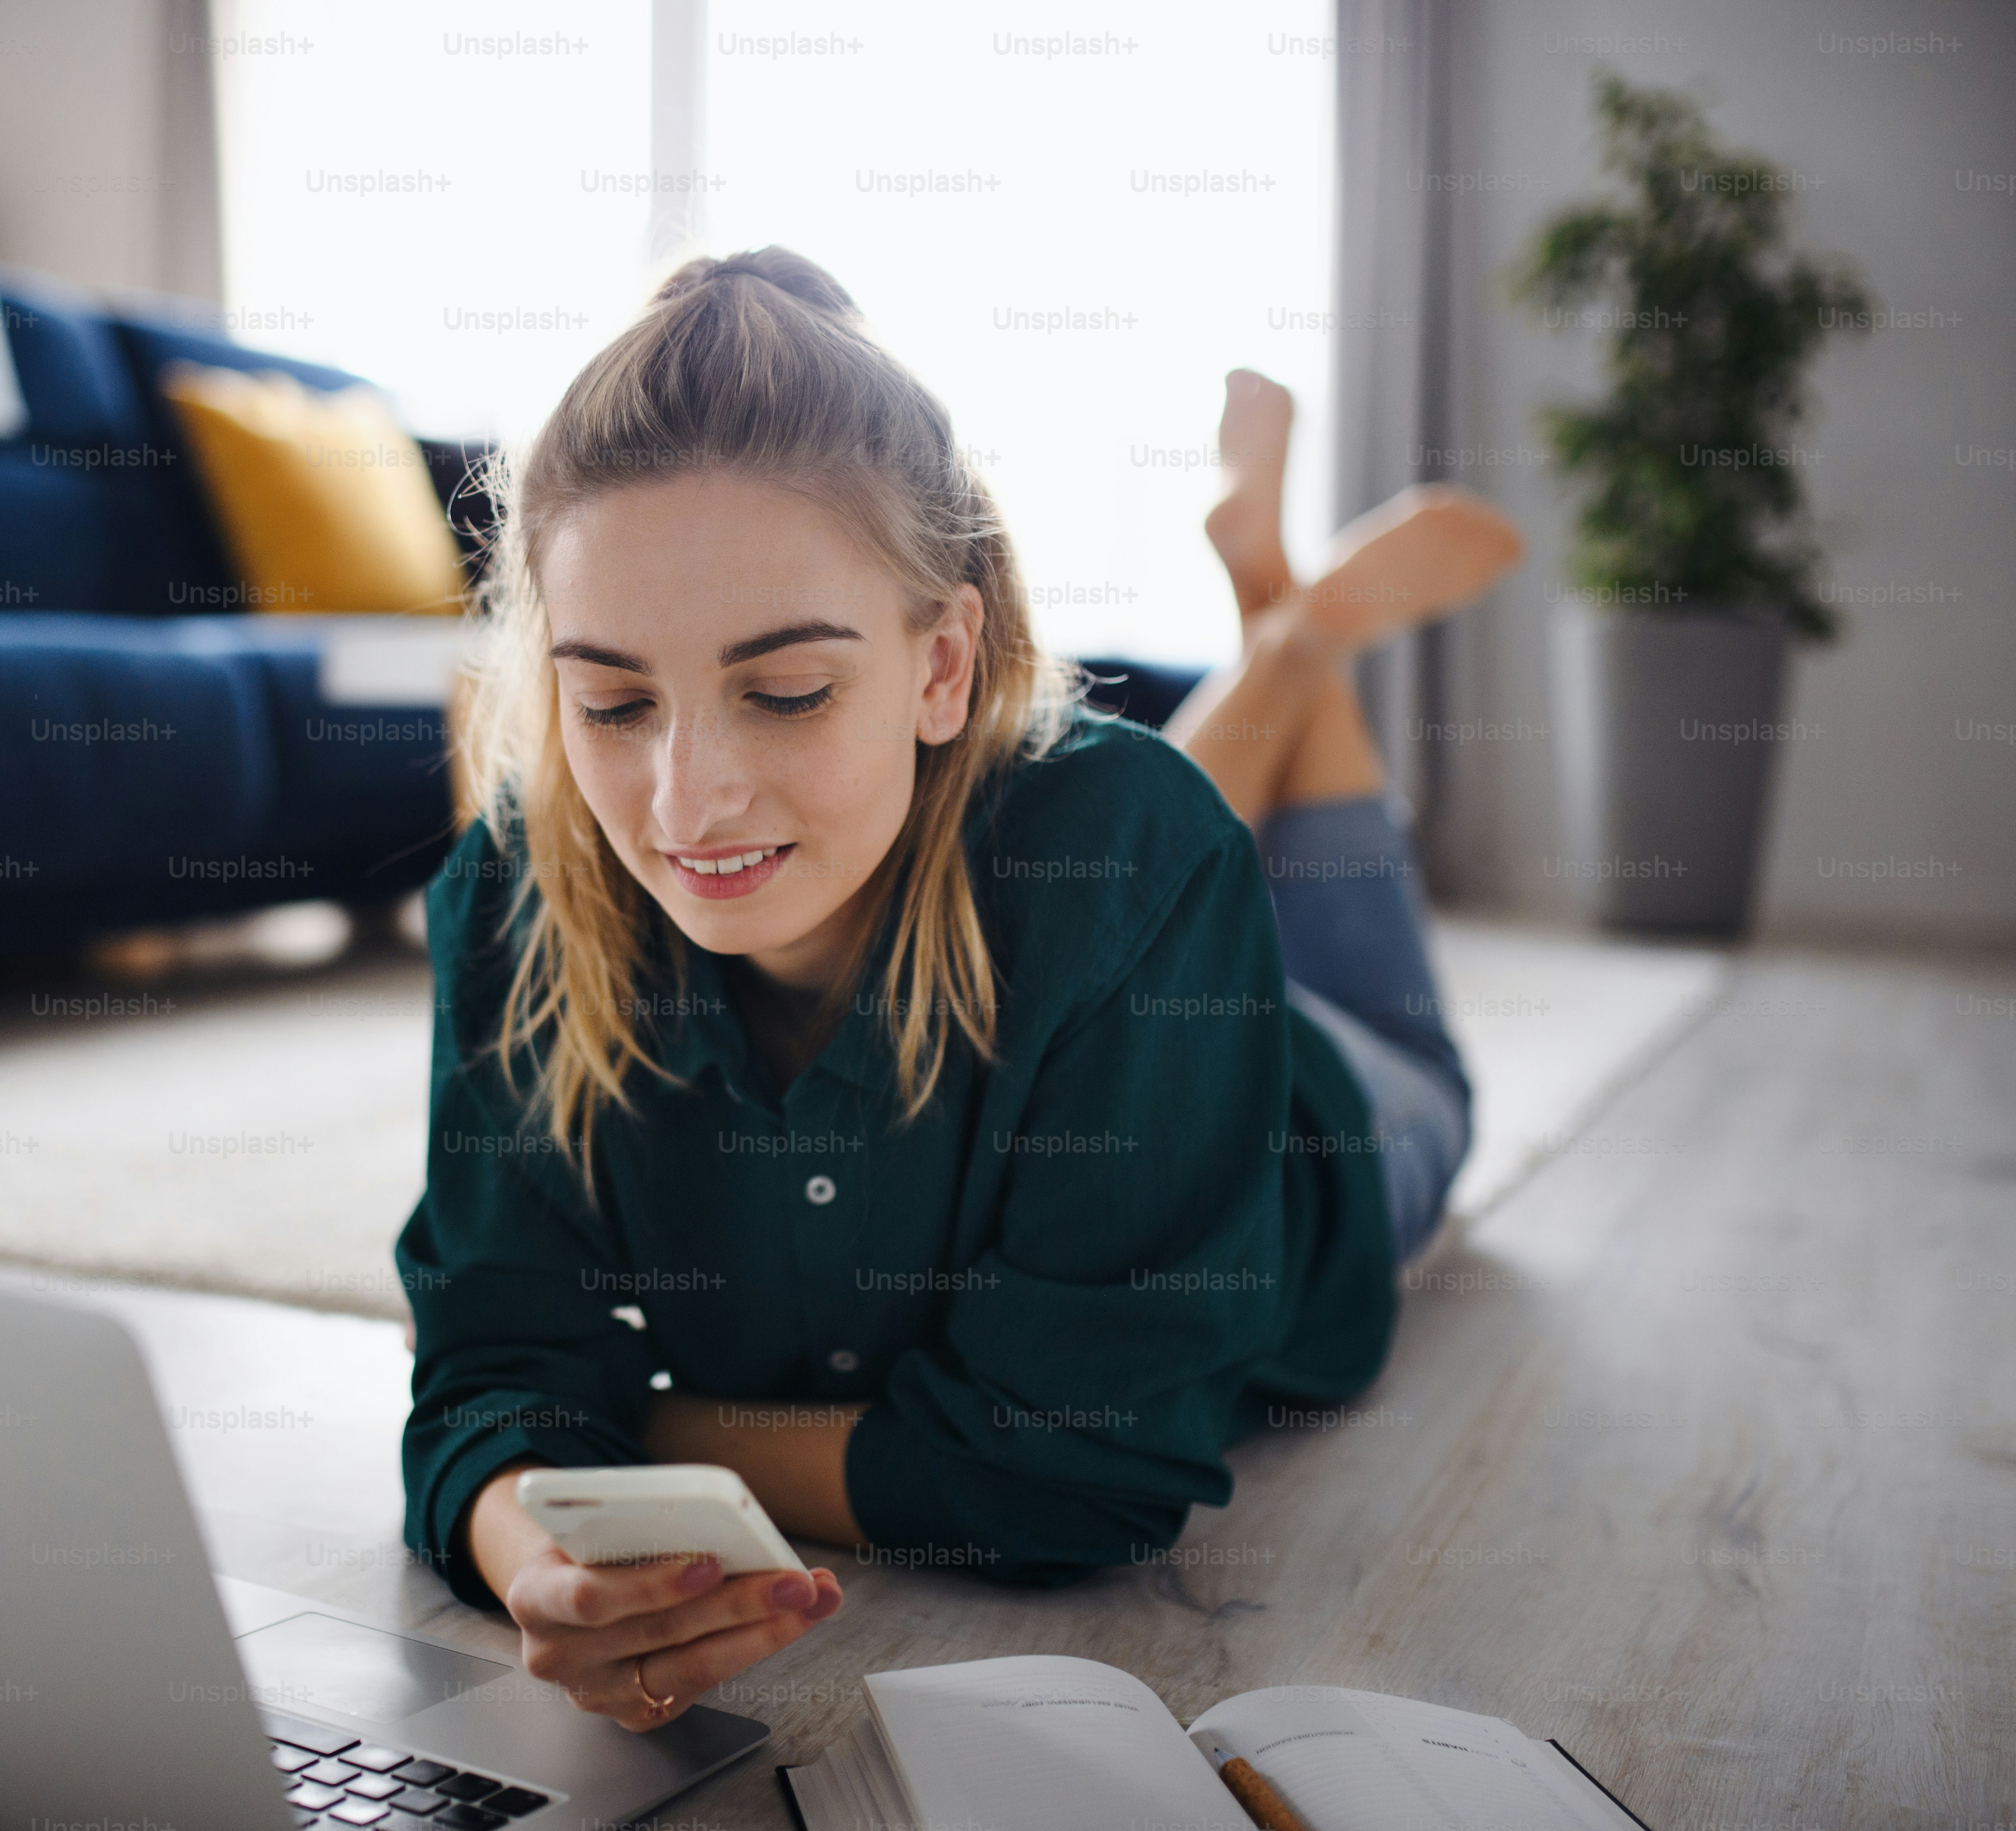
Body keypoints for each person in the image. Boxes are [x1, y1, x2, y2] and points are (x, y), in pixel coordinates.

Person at [394, 248, 1523, 1731]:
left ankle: (1293, 640)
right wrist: (532, 1540)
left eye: (786, 690)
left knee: (1388, 1036)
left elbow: (1070, 1476)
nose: (688, 800)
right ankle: (1286, 628)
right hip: (1120, 934)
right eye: (612, 703)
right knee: (1139, 851)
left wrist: (644, 1430)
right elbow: (487, 1373)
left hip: (1329, 1119)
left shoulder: (1131, 854)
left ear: (943, 666)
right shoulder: (514, 897)